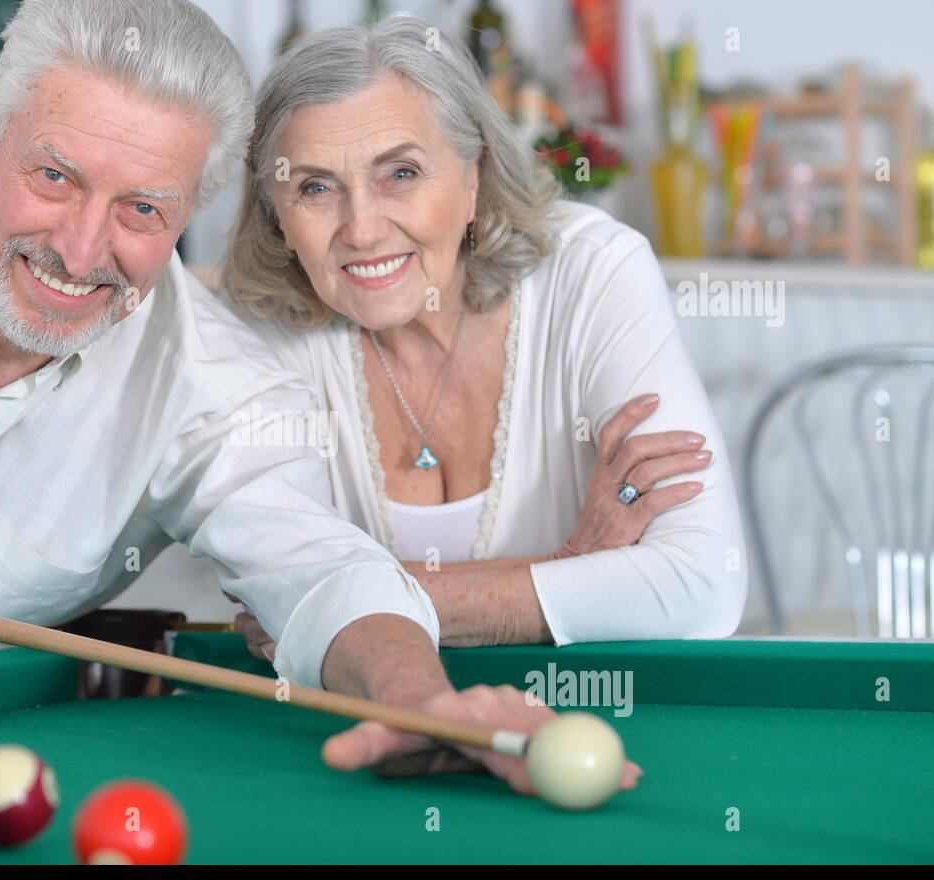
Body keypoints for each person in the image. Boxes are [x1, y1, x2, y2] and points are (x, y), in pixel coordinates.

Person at [0, 0, 639, 796]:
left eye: (141, 209)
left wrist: (422, 700)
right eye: (55, 175)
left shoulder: (212, 384)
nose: (80, 249)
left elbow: (320, 567)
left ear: (187, 219)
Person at [222, 17, 747, 662]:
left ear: (475, 177)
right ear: (276, 216)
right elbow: (282, 596)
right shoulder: (259, 334)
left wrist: (345, 603)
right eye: (315, 187)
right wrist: (574, 565)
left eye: (402, 174)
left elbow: (703, 583)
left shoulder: (594, 271)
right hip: (367, 728)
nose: (361, 230)